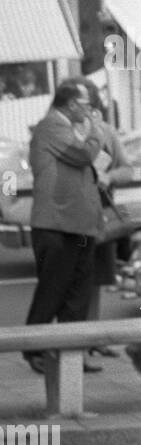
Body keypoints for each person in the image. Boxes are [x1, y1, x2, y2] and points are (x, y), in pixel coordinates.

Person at [24, 79, 104, 373]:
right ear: (71, 104)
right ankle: (34, 350)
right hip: (56, 224)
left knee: (76, 293)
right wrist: (97, 129)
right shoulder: (51, 126)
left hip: (78, 225)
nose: (91, 110)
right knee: (54, 289)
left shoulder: (68, 128)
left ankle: (73, 354)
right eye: (87, 105)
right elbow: (84, 155)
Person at [82, 80, 135, 358]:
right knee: (72, 280)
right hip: (70, 216)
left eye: (89, 105)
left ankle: (92, 339)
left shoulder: (106, 133)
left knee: (96, 279)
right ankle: (74, 341)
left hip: (100, 215)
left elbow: (127, 170)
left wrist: (108, 176)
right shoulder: (60, 131)